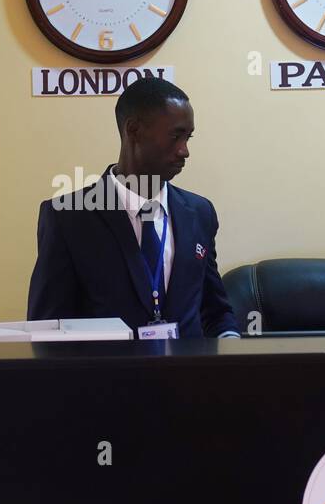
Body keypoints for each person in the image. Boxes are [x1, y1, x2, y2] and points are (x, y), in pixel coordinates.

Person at [27, 78, 239, 338]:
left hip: (188, 377)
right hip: (107, 377)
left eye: (188, 137)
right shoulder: (67, 217)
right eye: (175, 136)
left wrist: (231, 351)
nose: (185, 151)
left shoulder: (200, 213)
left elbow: (215, 310)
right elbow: (47, 328)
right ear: (134, 130)